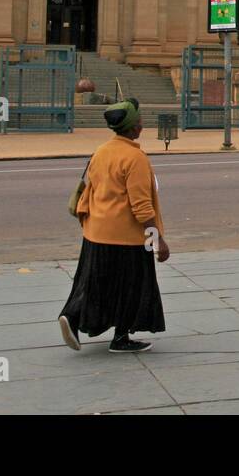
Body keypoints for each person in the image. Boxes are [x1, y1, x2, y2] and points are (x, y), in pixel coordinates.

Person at [58, 98, 168, 354]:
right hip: (126, 237)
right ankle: (120, 338)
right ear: (135, 128)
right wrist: (157, 241)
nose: (142, 123)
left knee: (96, 283)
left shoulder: (101, 151)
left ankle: (72, 316)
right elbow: (141, 207)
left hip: (96, 233)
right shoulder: (135, 158)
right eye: (139, 120)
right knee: (131, 288)